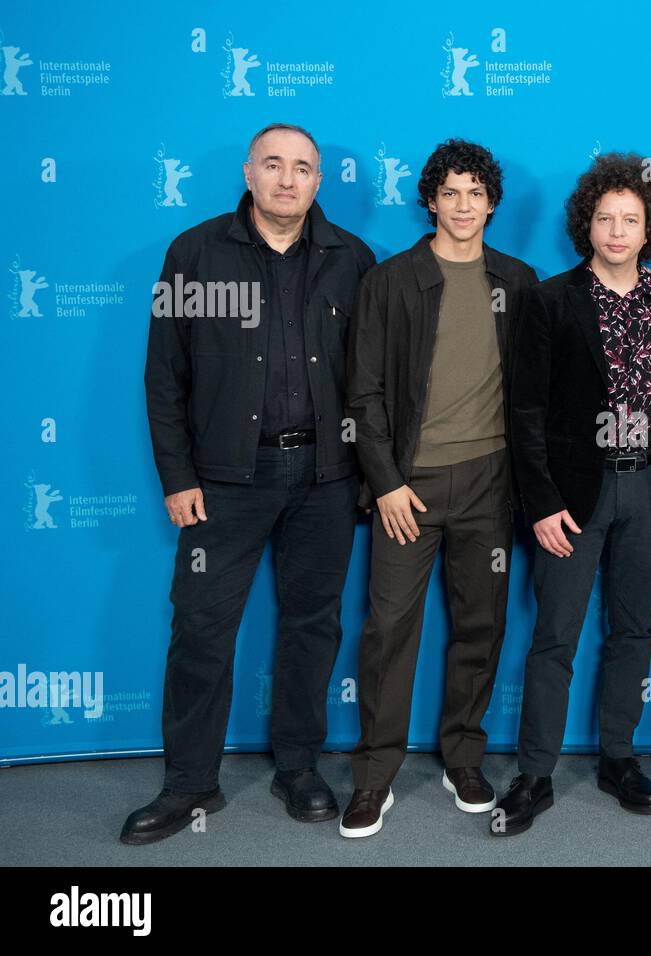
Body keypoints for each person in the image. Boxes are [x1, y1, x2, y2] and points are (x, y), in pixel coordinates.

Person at [128, 123, 375, 845]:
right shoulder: (195, 254)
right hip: (225, 481)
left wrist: (366, 476)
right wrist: (178, 476)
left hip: (326, 477)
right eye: (273, 164)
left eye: (302, 168)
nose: (287, 179)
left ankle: (298, 768)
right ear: (248, 172)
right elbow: (163, 376)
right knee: (202, 628)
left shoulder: (352, 259)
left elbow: (372, 382)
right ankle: (188, 783)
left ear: (319, 181)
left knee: (313, 626)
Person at [339, 139, 538, 838]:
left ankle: (464, 758)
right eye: (450, 193)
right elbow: (363, 394)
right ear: (430, 200)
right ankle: (374, 777)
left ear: (492, 203)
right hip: (407, 490)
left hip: (490, 483)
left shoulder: (518, 281)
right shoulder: (390, 281)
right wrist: (386, 482)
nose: (463, 205)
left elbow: (534, 394)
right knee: (389, 629)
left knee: (481, 624)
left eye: (475, 193)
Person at [494, 153, 651, 836]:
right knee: (555, 636)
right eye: (606, 218)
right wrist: (542, 502)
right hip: (575, 495)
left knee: (634, 630)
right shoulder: (550, 300)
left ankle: (619, 758)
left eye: (630, 219)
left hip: (650, 485)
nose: (617, 231)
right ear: (587, 225)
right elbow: (525, 412)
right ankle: (534, 773)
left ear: (648, 228)